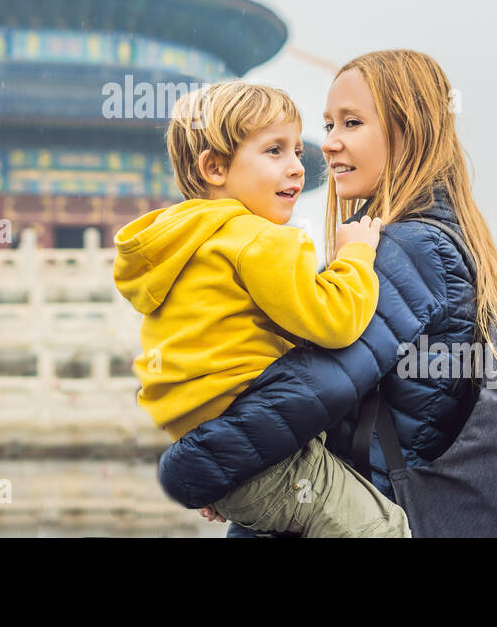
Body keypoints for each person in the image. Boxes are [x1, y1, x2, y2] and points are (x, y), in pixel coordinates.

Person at [156, 50, 497, 537]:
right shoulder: (440, 240)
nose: (329, 144)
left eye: (351, 123)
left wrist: (195, 468)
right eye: (329, 124)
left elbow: (315, 387)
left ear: (408, 130)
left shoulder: (406, 249)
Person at [113, 80, 411, 537]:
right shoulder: (256, 239)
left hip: (221, 455)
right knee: (383, 529)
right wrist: (357, 254)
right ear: (214, 168)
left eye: (296, 151)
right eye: (275, 151)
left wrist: (220, 474)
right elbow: (334, 322)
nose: (297, 168)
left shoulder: (181, 245)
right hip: (268, 457)